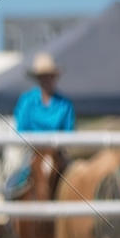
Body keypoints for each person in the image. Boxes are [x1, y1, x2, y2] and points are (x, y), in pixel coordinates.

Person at [5, 52, 74, 197]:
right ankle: (8, 211)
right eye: (43, 77)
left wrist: (56, 147)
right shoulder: (27, 101)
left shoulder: (64, 104)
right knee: (13, 181)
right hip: (31, 150)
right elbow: (21, 128)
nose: (46, 80)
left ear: (54, 78)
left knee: (73, 182)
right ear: (38, 79)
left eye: (49, 76)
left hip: (57, 152)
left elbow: (69, 132)